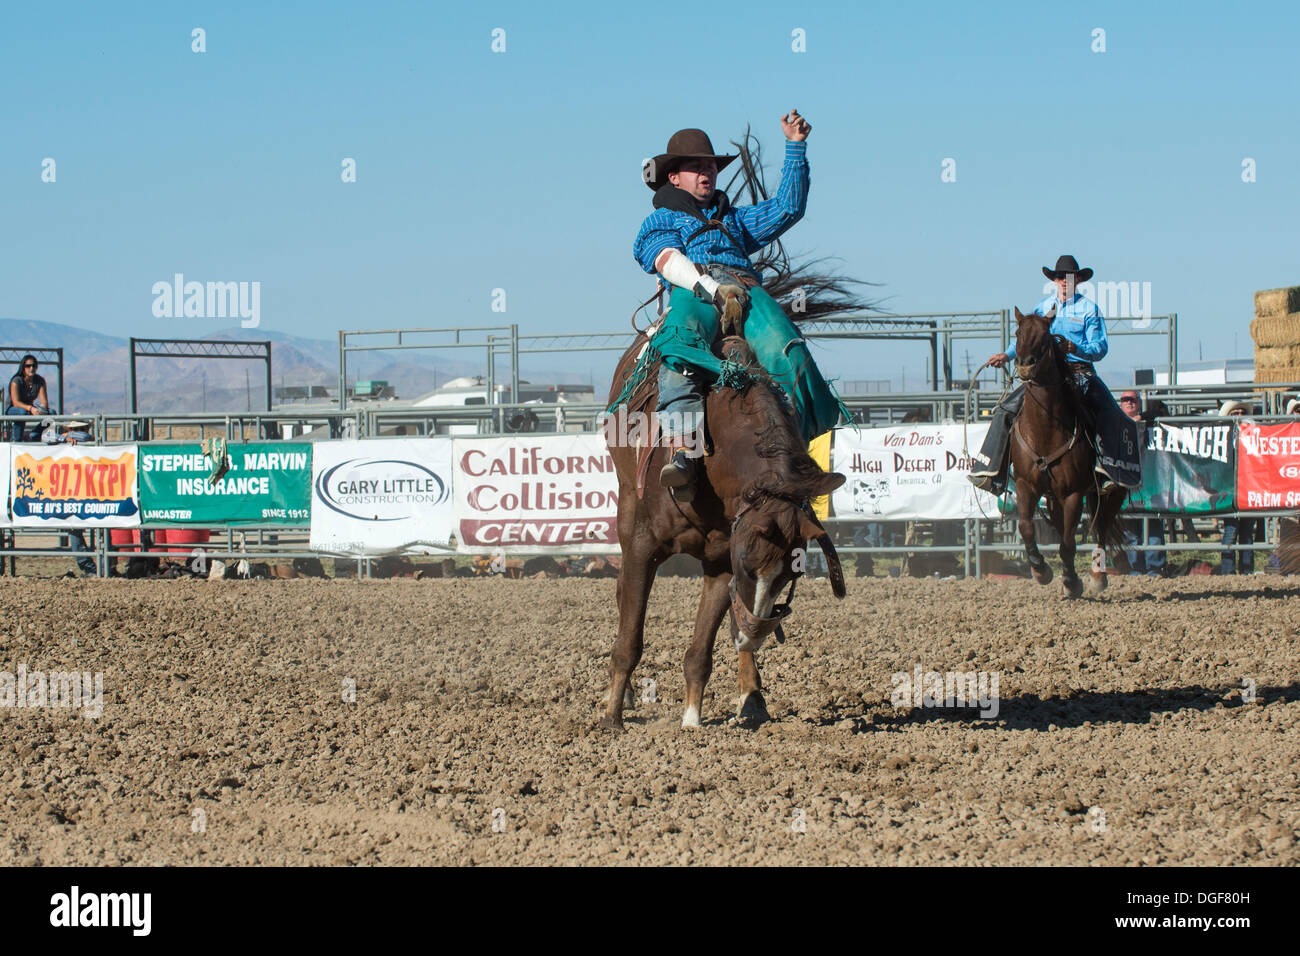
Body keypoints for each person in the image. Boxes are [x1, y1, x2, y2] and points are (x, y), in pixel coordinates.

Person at [632, 112, 847, 502]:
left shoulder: (735, 220)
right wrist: (712, 288)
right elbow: (665, 259)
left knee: (789, 350)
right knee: (680, 346)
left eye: (711, 167)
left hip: (746, 290)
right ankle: (683, 451)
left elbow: (787, 208)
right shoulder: (661, 219)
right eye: (696, 167)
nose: (706, 173)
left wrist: (795, 146)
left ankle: (798, 453)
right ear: (674, 177)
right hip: (693, 291)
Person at [968, 256, 1139, 495]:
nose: (1064, 281)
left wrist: (1076, 349)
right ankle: (994, 472)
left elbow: (1100, 348)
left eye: (1069, 277)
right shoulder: (1040, 308)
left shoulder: (1089, 309)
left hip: (1081, 373)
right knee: (1006, 411)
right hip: (1046, 377)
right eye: (1060, 277)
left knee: (1110, 412)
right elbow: (1026, 338)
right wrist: (1007, 356)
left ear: (1078, 279)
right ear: (1054, 280)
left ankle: (1107, 470)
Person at [1119, 390, 1166, 575]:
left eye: (1133, 399)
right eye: (1125, 400)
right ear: (1121, 403)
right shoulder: (1114, 422)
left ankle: (1154, 568)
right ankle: (1136, 570)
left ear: (1139, 403)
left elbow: (1161, 414)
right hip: (1127, 484)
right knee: (1131, 531)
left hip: (1149, 482)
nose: (1129, 402)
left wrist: (1141, 418)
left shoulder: (1149, 421)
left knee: (1152, 526)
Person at [1219, 400, 1262, 575]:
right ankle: (1229, 572)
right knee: (1231, 531)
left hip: (1247, 489)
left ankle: (1245, 571)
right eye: (1234, 413)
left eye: (1241, 413)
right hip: (1231, 491)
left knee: (1246, 534)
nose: (1238, 416)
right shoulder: (1224, 436)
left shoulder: (1254, 435)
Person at [6, 354, 51, 442]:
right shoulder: (16, 381)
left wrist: (42, 410)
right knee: (22, 413)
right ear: (23, 367)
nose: (31, 368)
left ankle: (35, 435)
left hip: (30, 409)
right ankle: (17, 440)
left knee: (52, 413)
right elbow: (16, 403)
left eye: (34, 366)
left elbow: (44, 402)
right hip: (14, 409)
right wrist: (31, 408)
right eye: (28, 366)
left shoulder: (40, 380)